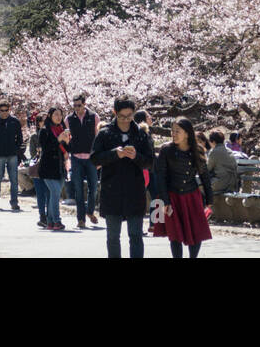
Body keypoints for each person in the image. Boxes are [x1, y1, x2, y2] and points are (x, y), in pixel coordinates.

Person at [93, 95, 154, 258]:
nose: (126, 120)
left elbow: (150, 162)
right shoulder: (105, 133)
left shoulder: (141, 134)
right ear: (115, 112)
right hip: (112, 190)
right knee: (113, 237)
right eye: (122, 116)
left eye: (129, 116)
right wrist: (115, 154)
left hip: (135, 191)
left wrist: (136, 156)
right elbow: (94, 159)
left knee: (136, 236)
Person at [152, 118, 213, 258]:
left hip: (192, 195)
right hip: (172, 196)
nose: (173, 134)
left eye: (177, 131)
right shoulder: (166, 150)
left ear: (187, 133)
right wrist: (165, 201)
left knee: (196, 232)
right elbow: (161, 176)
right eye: (172, 131)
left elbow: (205, 177)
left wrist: (210, 200)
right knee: (175, 235)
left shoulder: (197, 150)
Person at [66, 93, 101, 229]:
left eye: (79, 105)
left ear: (84, 104)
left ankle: (90, 211)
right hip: (76, 158)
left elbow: (98, 139)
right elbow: (67, 137)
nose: (76, 108)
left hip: (91, 158)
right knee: (78, 190)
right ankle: (81, 219)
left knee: (94, 188)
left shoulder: (94, 117)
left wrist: (98, 157)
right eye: (74, 106)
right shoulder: (69, 119)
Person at [0, 98, 24, 211]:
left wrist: (16, 149)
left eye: (6, 110)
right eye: (2, 110)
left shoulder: (15, 122)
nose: (4, 112)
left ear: (9, 110)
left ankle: (14, 202)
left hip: (12, 154)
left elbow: (20, 138)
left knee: (14, 179)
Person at [38, 107, 69, 231]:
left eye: (60, 115)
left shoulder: (62, 129)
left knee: (54, 195)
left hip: (60, 167)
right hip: (48, 167)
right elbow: (46, 148)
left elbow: (67, 148)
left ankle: (50, 221)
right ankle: (57, 220)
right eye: (56, 114)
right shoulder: (44, 130)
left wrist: (67, 142)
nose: (58, 117)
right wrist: (59, 139)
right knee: (55, 193)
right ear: (50, 116)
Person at [206, 129, 240, 202]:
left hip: (221, 184)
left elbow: (207, 169)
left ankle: (203, 210)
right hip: (232, 184)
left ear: (213, 142)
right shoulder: (229, 150)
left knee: (197, 186)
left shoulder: (214, 152)